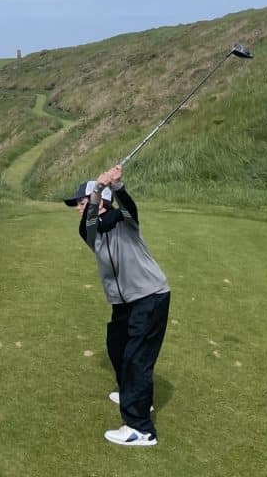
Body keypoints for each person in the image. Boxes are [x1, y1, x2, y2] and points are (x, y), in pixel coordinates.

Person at [64, 164, 170, 446]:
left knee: (136, 357)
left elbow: (128, 208)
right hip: (123, 303)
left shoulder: (125, 219)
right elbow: (90, 221)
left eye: (81, 201)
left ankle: (141, 429)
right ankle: (133, 393)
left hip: (149, 295)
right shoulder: (89, 231)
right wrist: (98, 189)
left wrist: (117, 186)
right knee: (117, 347)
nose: (78, 207)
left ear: (103, 202)